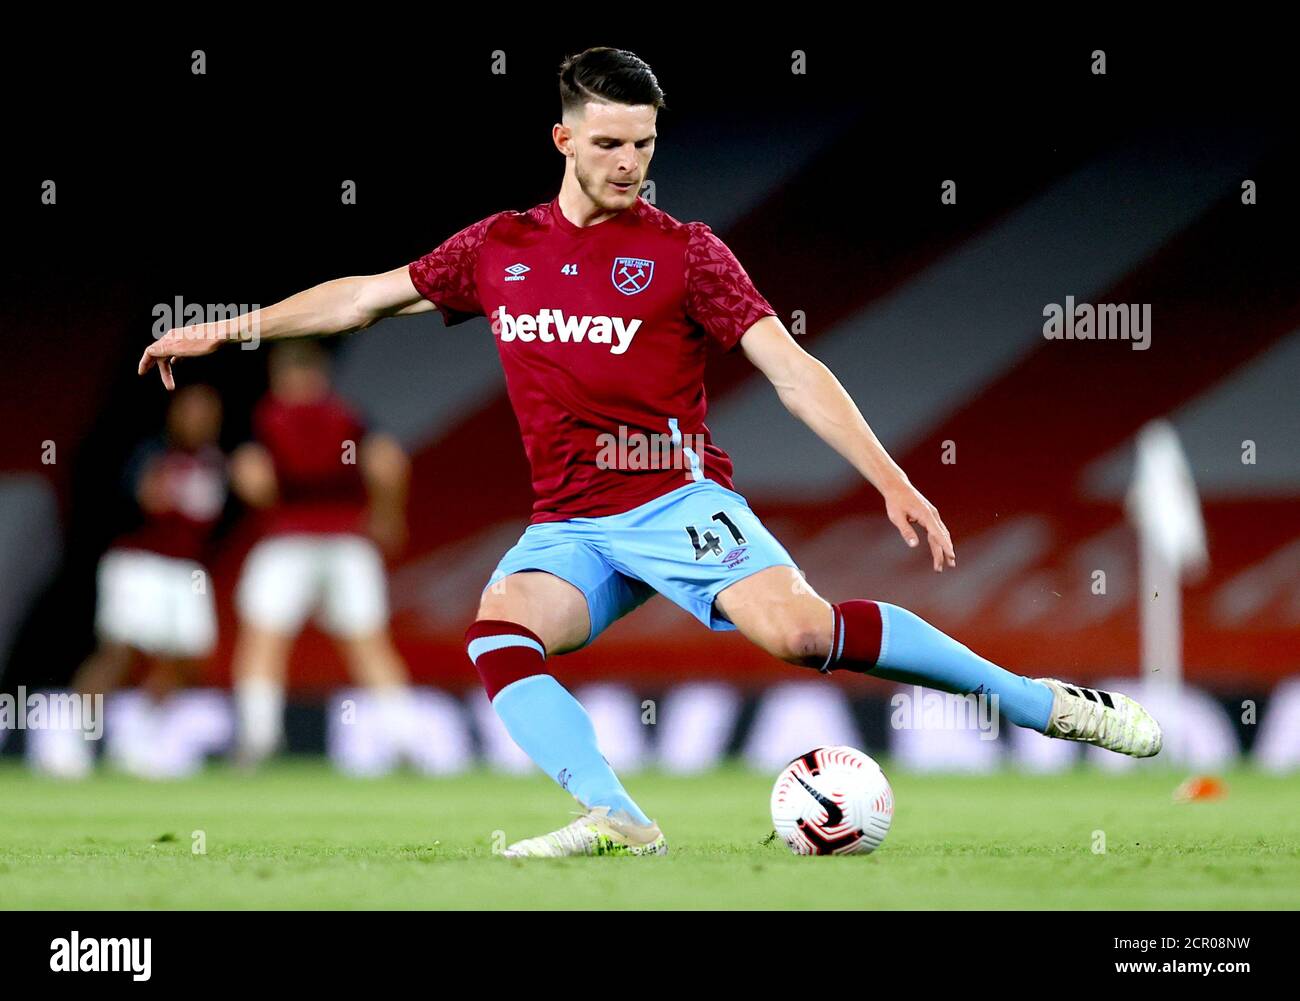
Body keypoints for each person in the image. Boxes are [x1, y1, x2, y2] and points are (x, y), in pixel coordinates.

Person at [140, 47, 1162, 854]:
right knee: (501, 631)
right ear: (563, 138)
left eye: (645, 144)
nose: (632, 163)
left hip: (676, 501)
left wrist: (891, 478)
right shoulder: (499, 248)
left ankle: (1047, 705)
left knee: (798, 637)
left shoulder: (685, 252)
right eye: (612, 143)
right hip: (568, 524)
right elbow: (363, 295)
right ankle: (617, 817)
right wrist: (225, 329)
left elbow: (792, 367)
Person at [228, 340, 419, 768]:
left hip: (288, 539)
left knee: (264, 639)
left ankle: (257, 738)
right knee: (368, 643)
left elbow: (251, 478)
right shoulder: (347, 414)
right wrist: (387, 516)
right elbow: (389, 463)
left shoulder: (266, 416)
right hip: (348, 539)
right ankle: (403, 737)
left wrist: (268, 499)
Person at [34, 384, 227, 778]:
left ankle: (139, 734)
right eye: (192, 411)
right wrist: (146, 488)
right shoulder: (150, 452)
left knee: (186, 657)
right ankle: (68, 733)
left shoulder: (216, 463)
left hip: (185, 571)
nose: (200, 421)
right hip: (139, 562)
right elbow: (120, 500)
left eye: (208, 413)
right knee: (119, 652)